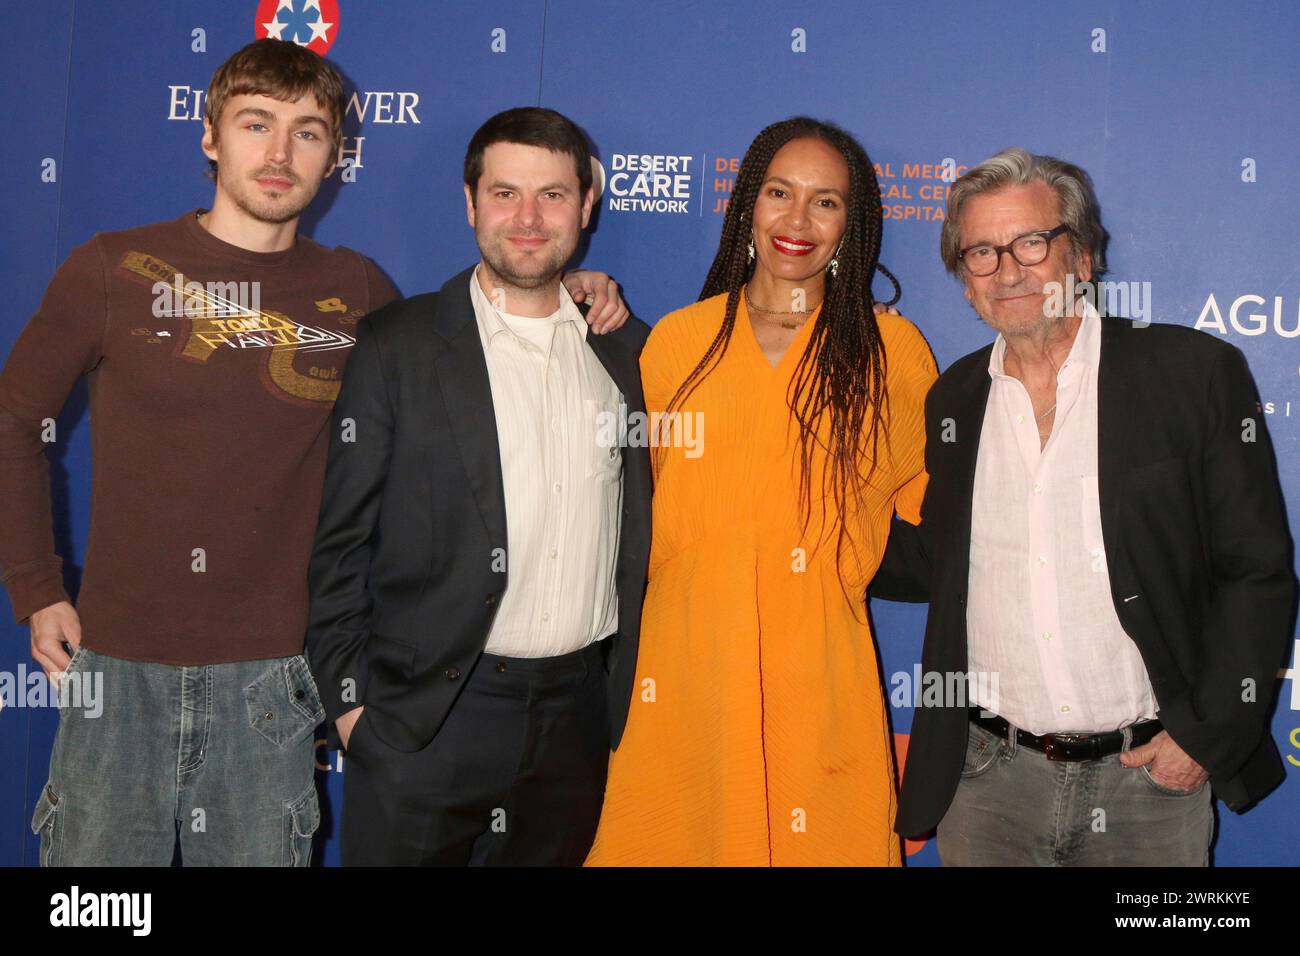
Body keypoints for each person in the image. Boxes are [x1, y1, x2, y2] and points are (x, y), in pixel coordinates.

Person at [0, 40, 627, 867]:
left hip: (277, 680)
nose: (279, 153)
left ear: (335, 158)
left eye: (307, 133)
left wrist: (572, 292)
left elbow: (476, 338)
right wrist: (37, 587)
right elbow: (13, 421)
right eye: (255, 124)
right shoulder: (114, 269)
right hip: (116, 668)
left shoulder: (359, 293)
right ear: (210, 136)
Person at [872, 147, 1294, 866]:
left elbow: (1255, 571)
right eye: (981, 252)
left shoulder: (1192, 374)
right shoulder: (955, 399)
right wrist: (804, 521)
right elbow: (937, 560)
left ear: (1084, 257)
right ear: (965, 283)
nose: (1008, 270)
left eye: (1032, 243)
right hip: (985, 781)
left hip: (1146, 784)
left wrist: (1203, 738)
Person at [584, 117, 937, 866]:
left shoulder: (892, 353)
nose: (798, 219)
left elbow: (946, 523)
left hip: (819, 683)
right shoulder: (676, 343)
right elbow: (618, 519)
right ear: (747, 203)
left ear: (852, 224)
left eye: (825, 201)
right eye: (780, 192)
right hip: (680, 680)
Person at [305, 106, 653, 866]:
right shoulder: (398, 345)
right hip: (423, 722)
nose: (528, 218)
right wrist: (355, 712)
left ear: (586, 206)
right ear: (470, 204)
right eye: (504, 194)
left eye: (552, 195)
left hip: (575, 726)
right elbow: (339, 545)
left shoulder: (628, 353)